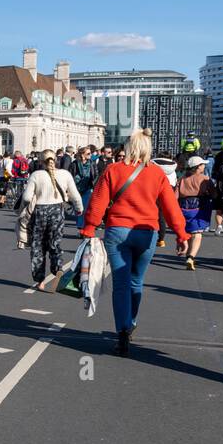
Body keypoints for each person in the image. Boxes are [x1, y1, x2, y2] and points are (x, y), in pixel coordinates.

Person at [79, 131, 188, 357]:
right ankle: (132, 321)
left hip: (118, 231)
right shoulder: (157, 174)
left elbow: (98, 202)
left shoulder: (113, 170)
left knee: (120, 283)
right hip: (147, 233)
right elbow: (170, 207)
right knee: (136, 282)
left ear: (126, 148)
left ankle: (123, 330)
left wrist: (89, 227)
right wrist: (181, 234)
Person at [20, 150, 83, 288]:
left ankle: (40, 280)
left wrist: (25, 208)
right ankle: (57, 268)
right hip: (57, 211)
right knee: (55, 242)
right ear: (56, 159)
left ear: (41, 161)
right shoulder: (65, 174)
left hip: (40, 210)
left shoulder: (36, 175)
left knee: (38, 245)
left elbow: (26, 197)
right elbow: (75, 196)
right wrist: (79, 209)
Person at [176, 156, 216, 270]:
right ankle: (191, 257)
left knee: (188, 232)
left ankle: (187, 254)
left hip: (184, 207)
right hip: (199, 208)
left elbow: (175, 196)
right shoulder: (205, 179)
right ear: (198, 167)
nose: (204, 166)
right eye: (203, 164)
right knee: (197, 234)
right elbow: (214, 194)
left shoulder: (182, 179)